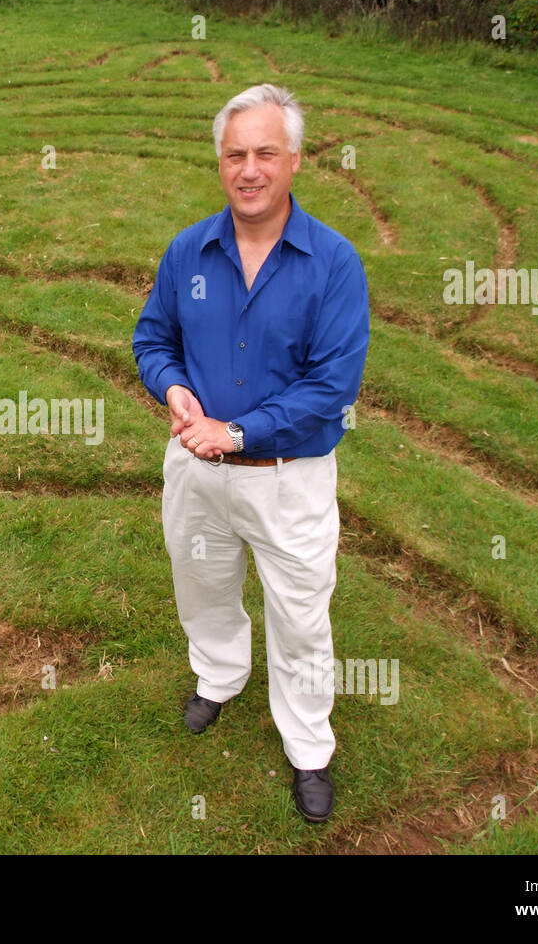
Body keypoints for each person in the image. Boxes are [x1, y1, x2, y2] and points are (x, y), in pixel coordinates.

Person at [132, 83, 370, 824]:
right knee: (201, 585)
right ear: (220, 162)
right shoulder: (187, 249)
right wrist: (173, 391)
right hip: (197, 470)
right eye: (235, 154)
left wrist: (237, 431)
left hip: (287, 478)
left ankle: (308, 749)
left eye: (266, 152)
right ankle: (219, 674)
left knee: (300, 615)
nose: (250, 168)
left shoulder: (333, 264)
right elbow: (152, 339)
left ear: (295, 159)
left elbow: (332, 385)